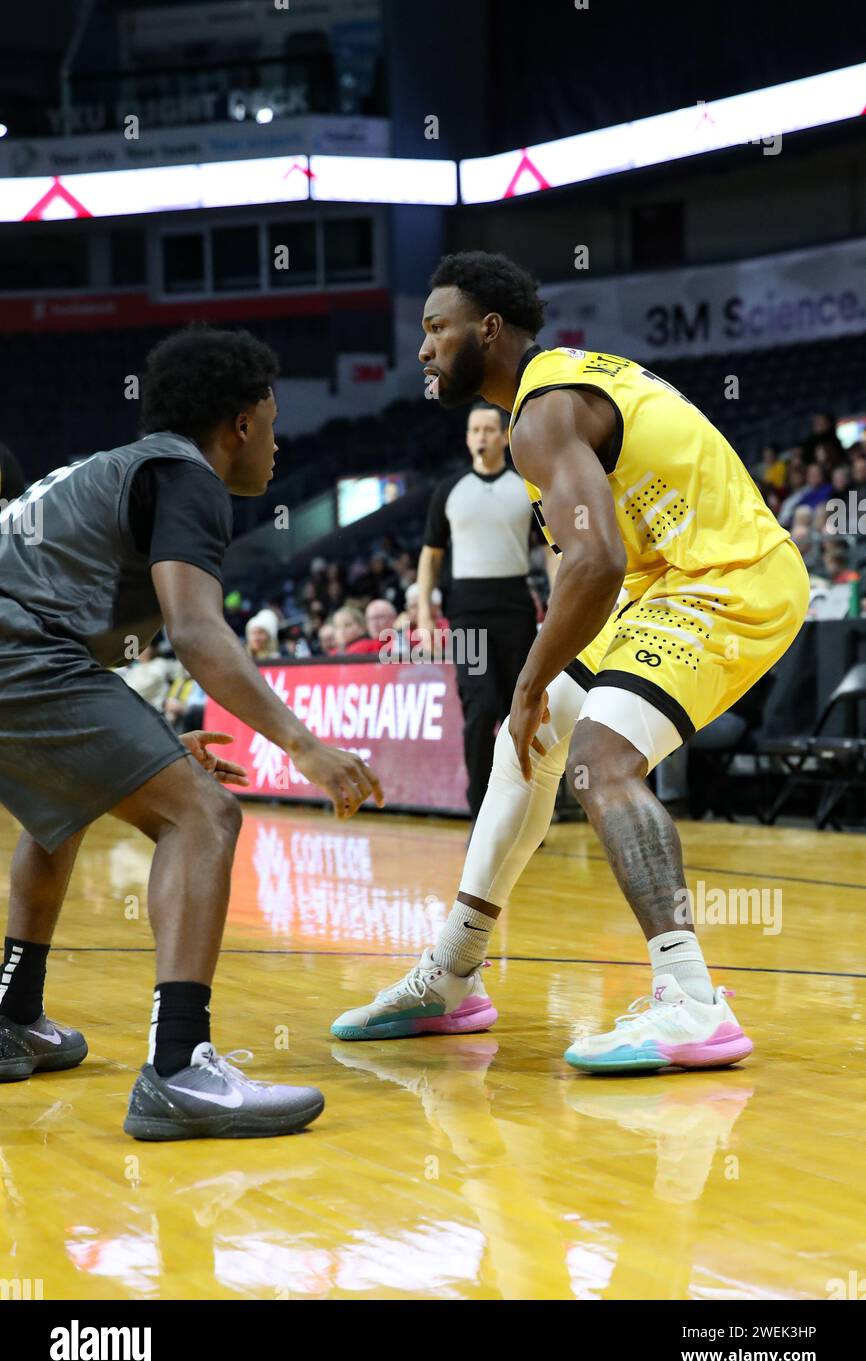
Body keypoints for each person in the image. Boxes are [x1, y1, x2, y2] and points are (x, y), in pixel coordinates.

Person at [332, 250, 809, 1073]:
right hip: (667, 582)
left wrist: (524, 678)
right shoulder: (557, 393)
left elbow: (596, 563)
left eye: (436, 329)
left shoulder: (542, 413)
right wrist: (538, 693)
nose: (423, 350)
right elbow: (588, 564)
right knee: (526, 745)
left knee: (599, 760)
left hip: (725, 578)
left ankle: (691, 999)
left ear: (488, 330)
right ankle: (452, 972)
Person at [0, 325, 382, 1138]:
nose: (277, 447)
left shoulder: (118, 471)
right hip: (19, 653)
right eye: (272, 426)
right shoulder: (188, 475)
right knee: (203, 815)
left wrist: (152, 740)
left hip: (25, 650)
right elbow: (198, 631)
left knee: (58, 809)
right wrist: (303, 744)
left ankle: (10, 1014)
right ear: (239, 424)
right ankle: (177, 1067)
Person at [415, 403, 538, 820]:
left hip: (516, 610)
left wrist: (558, 599)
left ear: (503, 436)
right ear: (467, 438)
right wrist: (425, 617)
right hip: (466, 612)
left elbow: (551, 551)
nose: (482, 436)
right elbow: (430, 557)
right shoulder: (449, 490)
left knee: (518, 712)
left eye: (489, 429)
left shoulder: (527, 487)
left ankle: (520, 812)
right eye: (475, 430)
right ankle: (479, 811)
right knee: (480, 708)